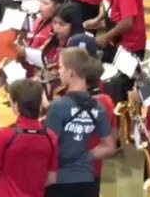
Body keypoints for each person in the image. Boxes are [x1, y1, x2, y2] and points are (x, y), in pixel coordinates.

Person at [43, 47, 116, 197]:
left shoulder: (58, 107)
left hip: (60, 182)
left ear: (71, 73)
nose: (59, 71)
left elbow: (48, 148)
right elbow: (110, 147)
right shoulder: (99, 107)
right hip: (87, 181)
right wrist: (86, 156)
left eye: (61, 67)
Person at [0, 78, 59, 196]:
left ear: (15, 106)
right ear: (40, 106)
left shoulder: (3, 136)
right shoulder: (51, 137)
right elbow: (52, 178)